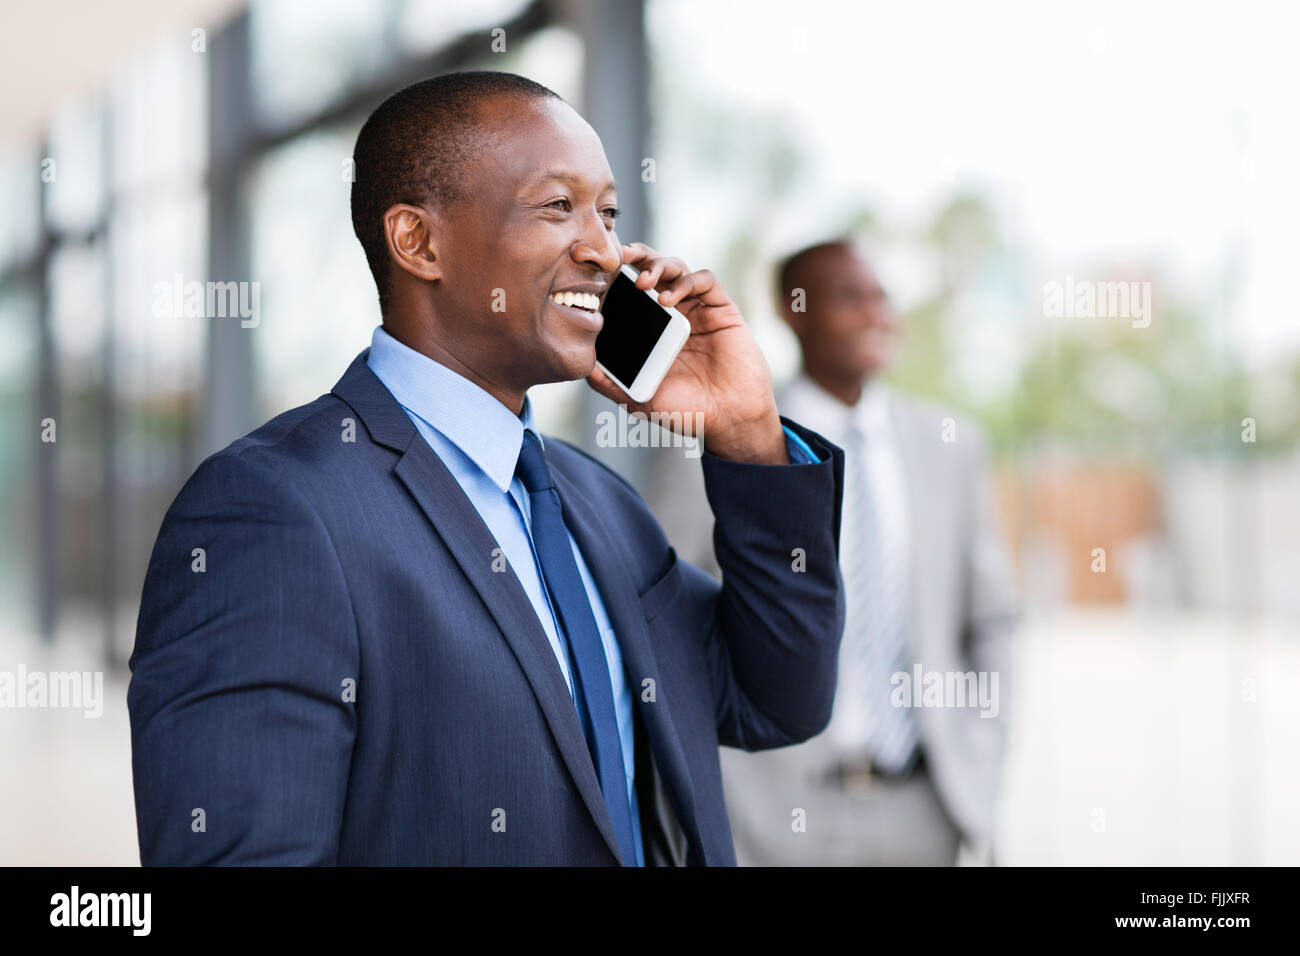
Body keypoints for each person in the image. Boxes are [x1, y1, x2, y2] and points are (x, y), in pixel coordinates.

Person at [126, 72, 846, 866]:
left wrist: (747, 434)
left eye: (608, 213)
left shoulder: (596, 502)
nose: (604, 251)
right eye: (556, 207)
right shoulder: (270, 512)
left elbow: (778, 700)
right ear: (418, 243)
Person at [644, 239, 1019, 865]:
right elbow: (661, 619)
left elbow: (991, 620)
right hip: (765, 816)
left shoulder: (950, 445)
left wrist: (979, 757)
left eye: (882, 297)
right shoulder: (713, 435)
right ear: (792, 310)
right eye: (850, 297)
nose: (875, 314)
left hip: (924, 811)